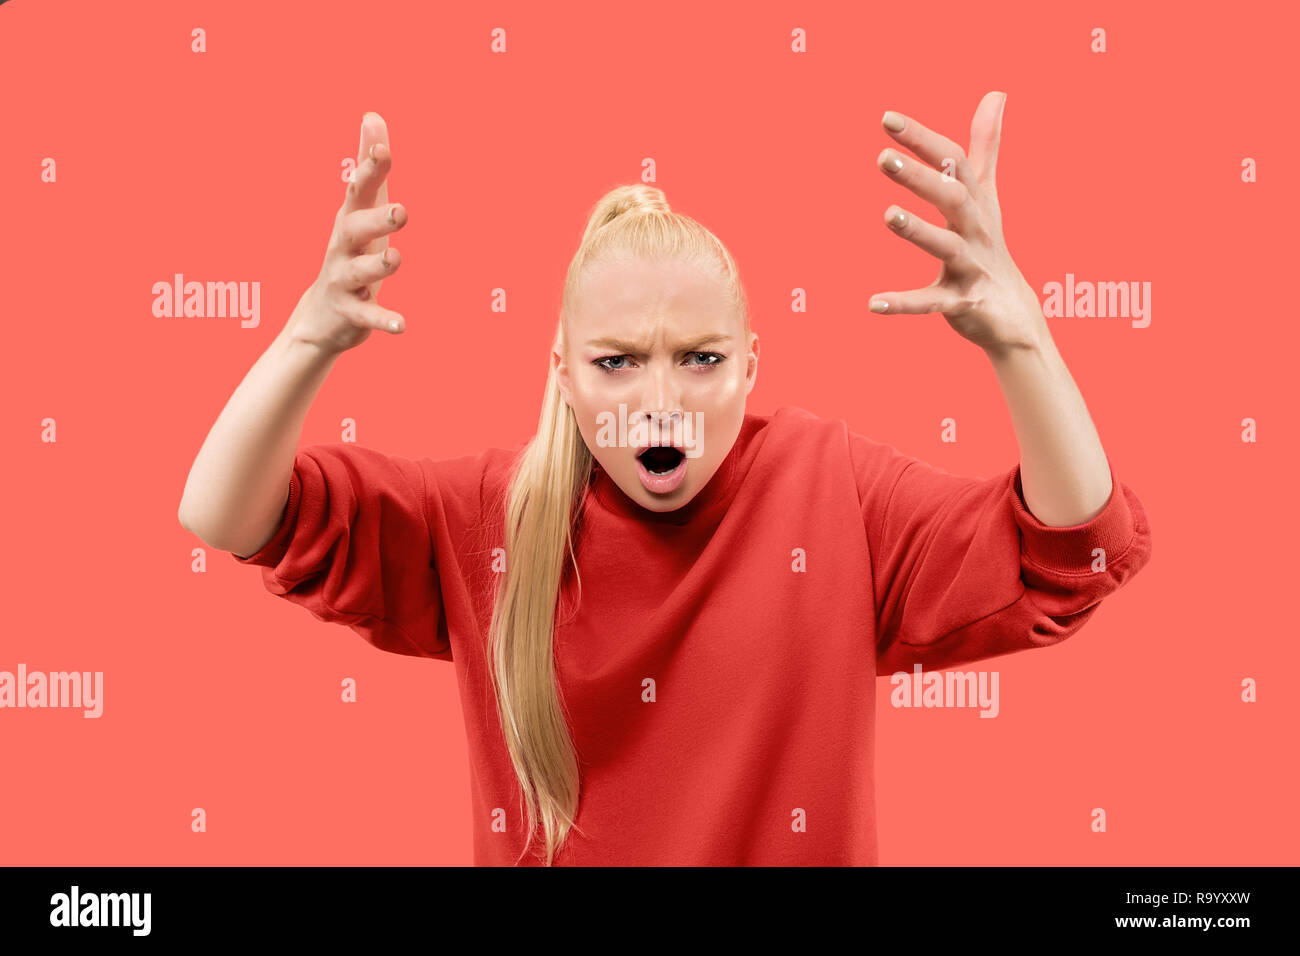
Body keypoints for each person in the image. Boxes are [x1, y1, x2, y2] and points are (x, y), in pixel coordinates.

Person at [177, 95, 1153, 867]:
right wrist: (307, 337)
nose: (658, 401)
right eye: (613, 362)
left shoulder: (829, 488)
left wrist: (1023, 340)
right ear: (559, 371)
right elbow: (224, 511)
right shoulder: (487, 513)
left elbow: (1079, 550)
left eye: (697, 358)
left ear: (750, 365)